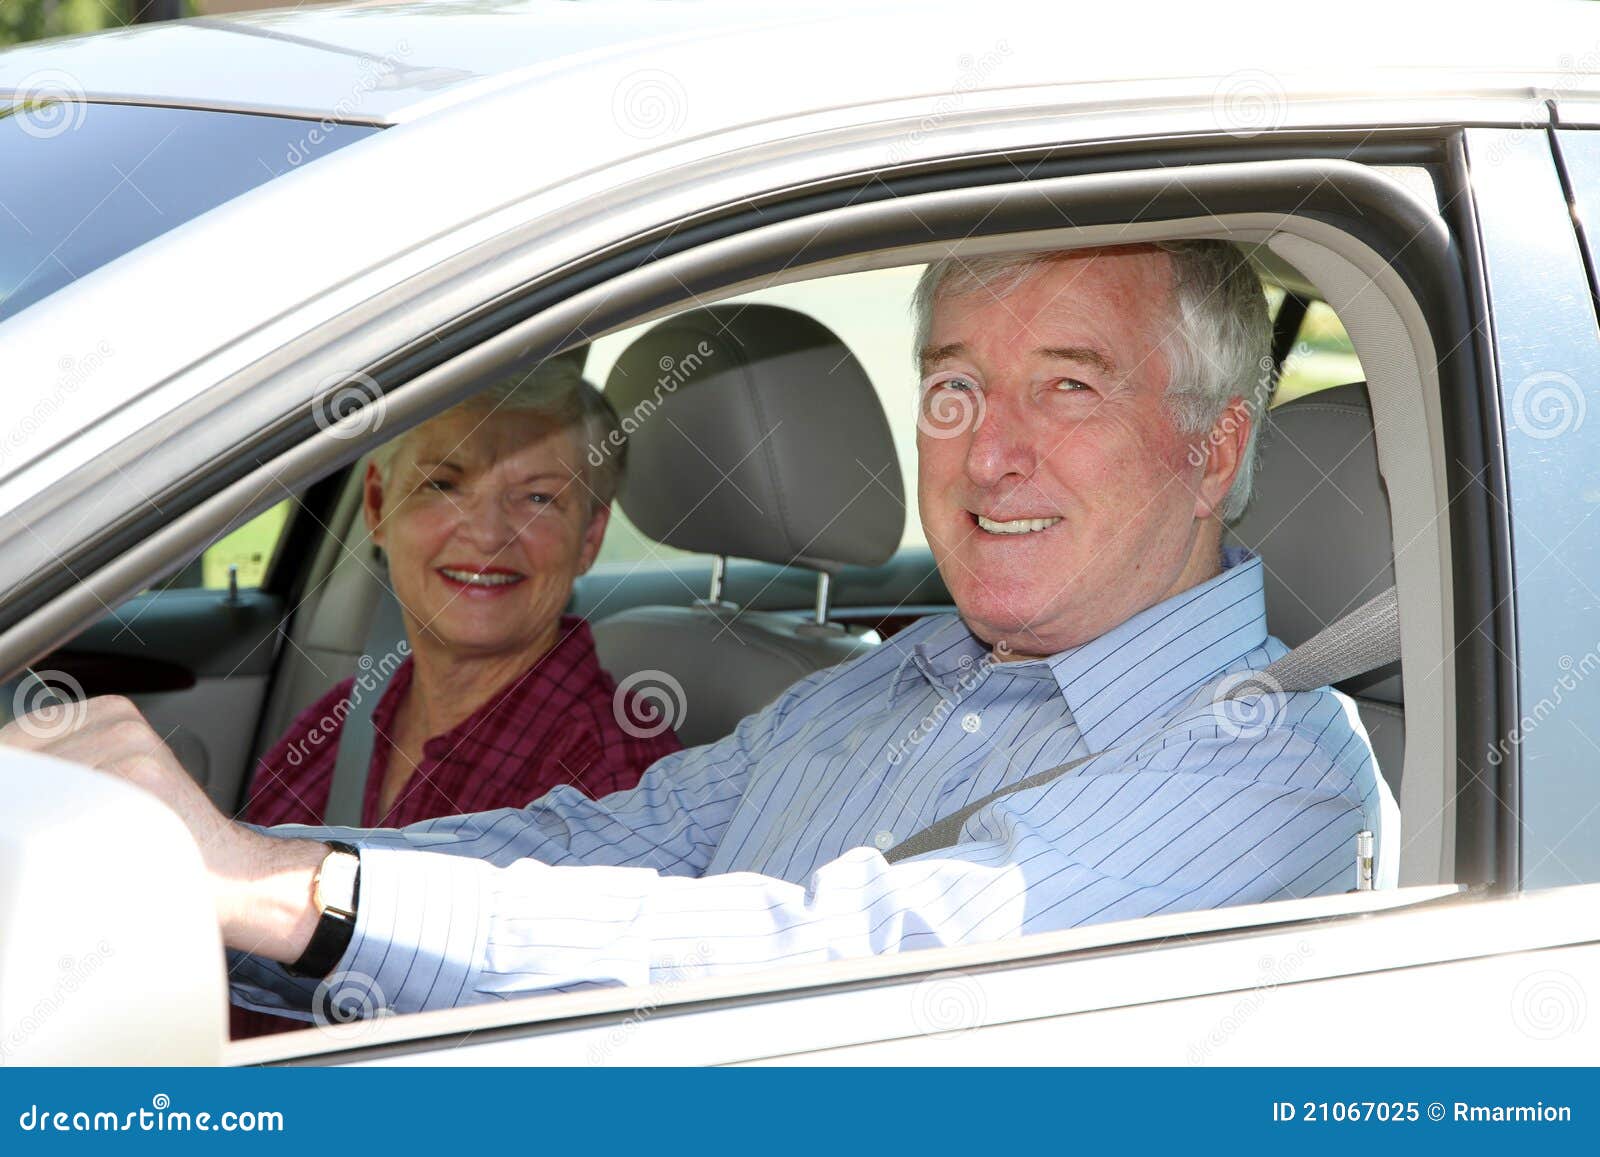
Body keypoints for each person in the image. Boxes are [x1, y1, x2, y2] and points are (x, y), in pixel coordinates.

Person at [1, 241, 1391, 1027]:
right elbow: (608, 842)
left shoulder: (1270, 766)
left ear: (1213, 451)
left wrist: (293, 897)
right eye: (956, 389)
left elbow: (824, 968)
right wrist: (250, 867)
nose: (988, 455)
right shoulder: (899, 676)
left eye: (1068, 388)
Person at [234, 349, 683, 1034]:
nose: (487, 532)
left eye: (538, 497)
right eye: (444, 484)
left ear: (589, 537)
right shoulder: (338, 721)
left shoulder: (615, 770)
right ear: (380, 507)